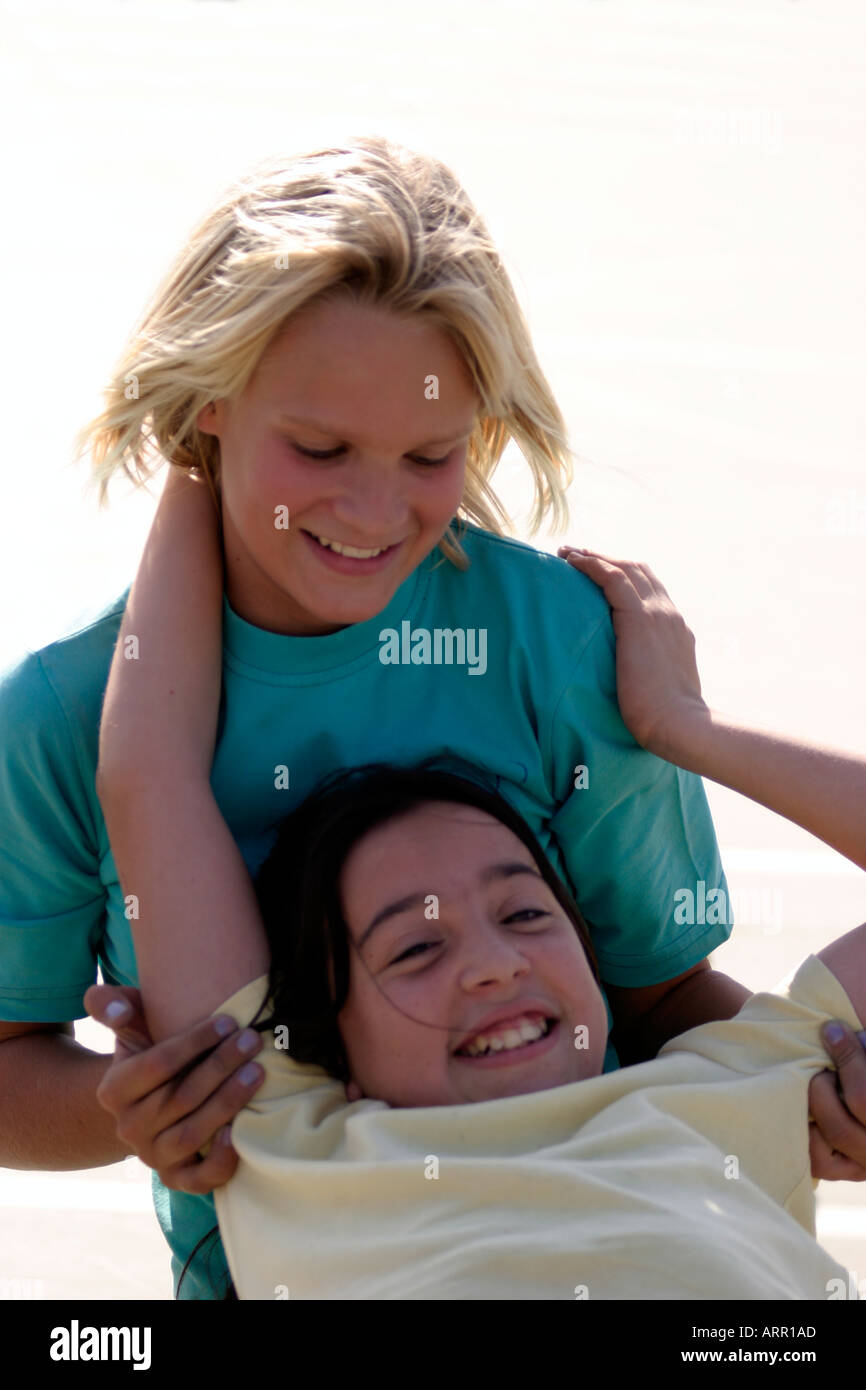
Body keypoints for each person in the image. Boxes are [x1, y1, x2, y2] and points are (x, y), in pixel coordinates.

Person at [0, 137, 860, 1304]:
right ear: (206, 398)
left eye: (429, 453)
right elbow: (23, 1050)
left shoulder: (556, 643)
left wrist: (801, 1092)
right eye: (315, 445)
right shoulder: (67, 718)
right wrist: (135, 1108)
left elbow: (656, 994)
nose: (369, 508)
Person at [92, 468, 866, 1300]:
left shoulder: (721, 1088)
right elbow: (150, 773)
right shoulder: (288, 1133)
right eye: (416, 947)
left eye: (527, 912)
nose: (496, 964)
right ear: (329, 1043)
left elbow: (151, 772)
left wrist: (686, 727)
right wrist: (202, 441)